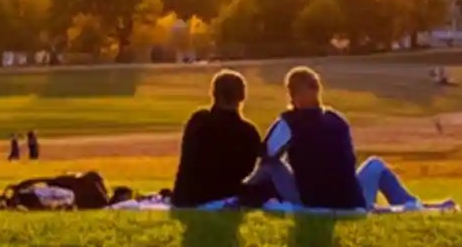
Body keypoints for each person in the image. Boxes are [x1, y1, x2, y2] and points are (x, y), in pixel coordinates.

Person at [252, 66, 420, 210]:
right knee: (375, 165)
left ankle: (242, 196)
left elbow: (267, 156)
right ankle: (412, 204)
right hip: (352, 201)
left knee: (271, 165)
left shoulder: (289, 122)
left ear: (293, 94)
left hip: (312, 201)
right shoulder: (337, 119)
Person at [171, 70, 262, 208]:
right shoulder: (248, 132)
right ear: (242, 96)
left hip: (186, 198)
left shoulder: (197, 121)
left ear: (213, 93)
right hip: (223, 197)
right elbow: (249, 172)